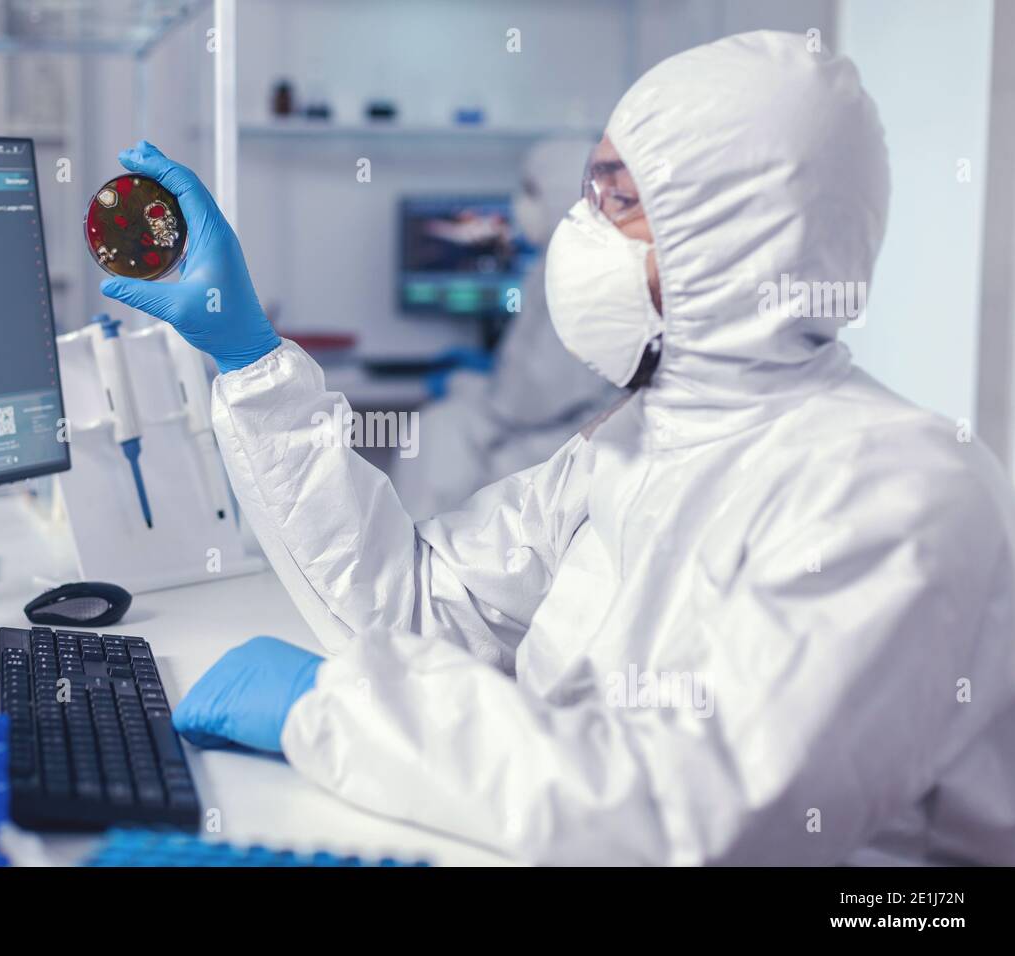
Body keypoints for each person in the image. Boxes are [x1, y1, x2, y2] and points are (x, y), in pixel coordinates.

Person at [101, 31, 1015, 865]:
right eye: (590, 192)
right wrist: (251, 358)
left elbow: (697, 817)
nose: (580, 232)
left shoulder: (902, 492)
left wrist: (330, 710)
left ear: (741, 240)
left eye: (620, 200)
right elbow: (416, 608)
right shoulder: (635, 443)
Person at [389, 137, 621, 519]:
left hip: (563, 439)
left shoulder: (576, 271)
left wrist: (469, 383)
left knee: (438, 433)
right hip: (559, 428)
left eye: (531, 191)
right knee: (444, 432)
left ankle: (413, 557)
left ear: (564, 191)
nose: (520, 205)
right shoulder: (559, 262)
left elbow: (527, 402)